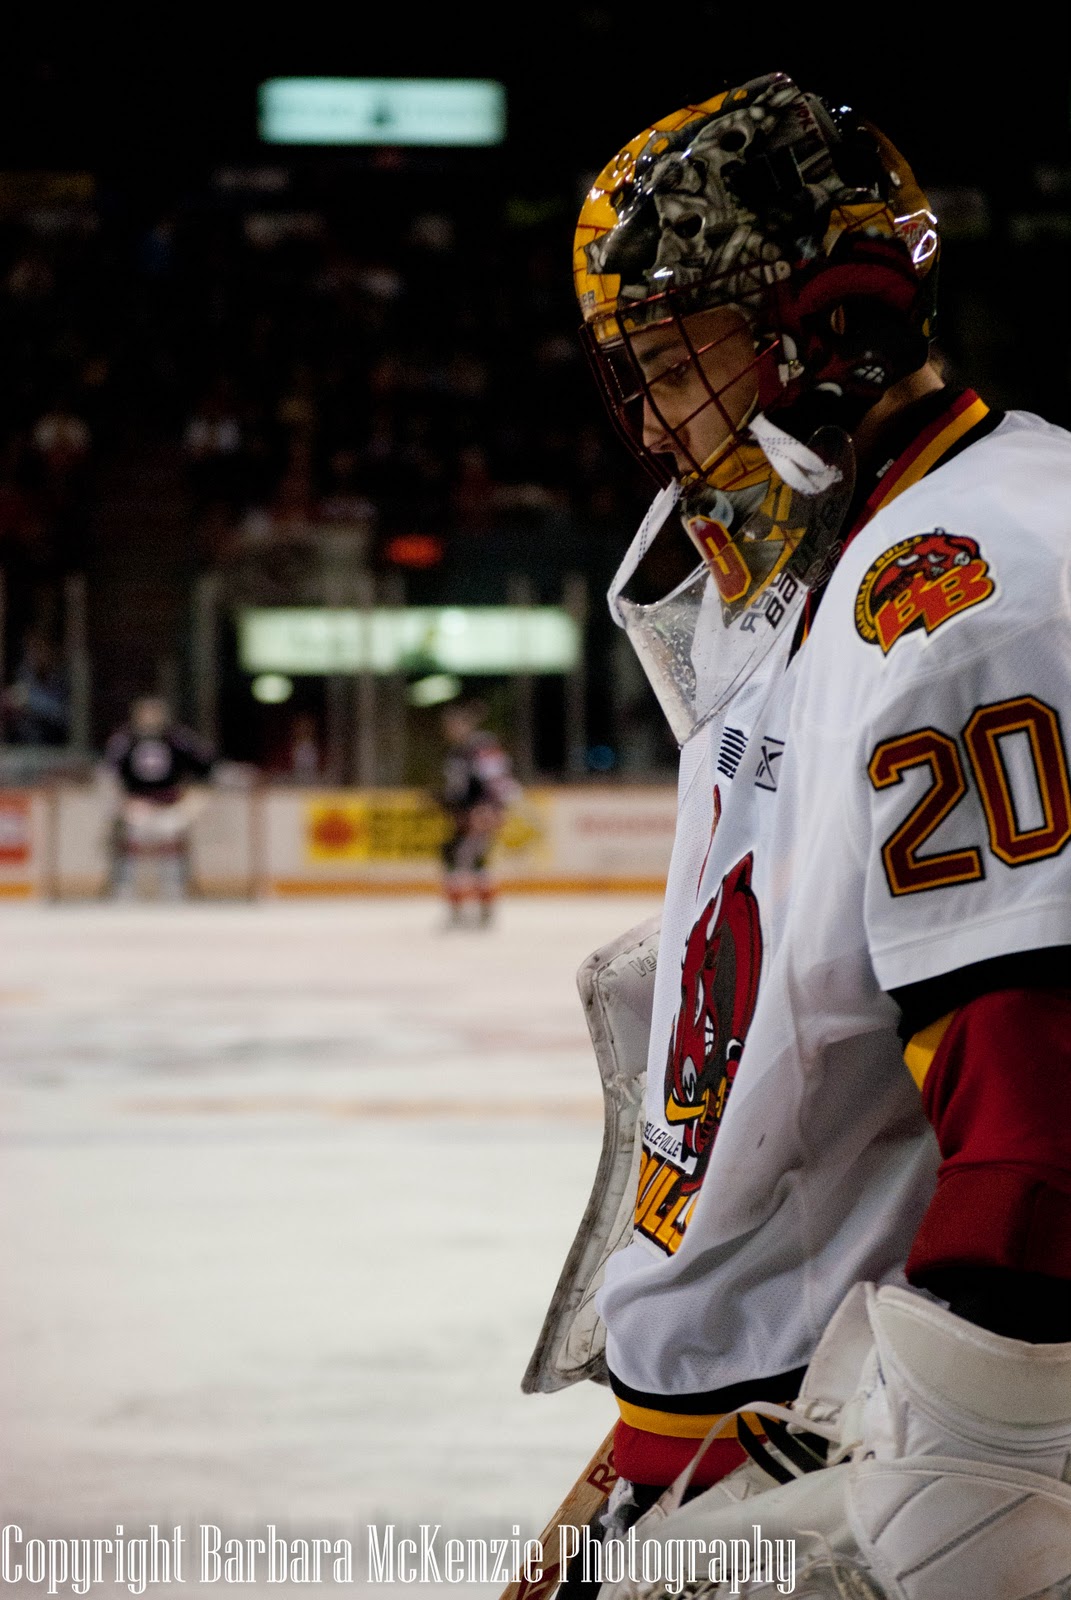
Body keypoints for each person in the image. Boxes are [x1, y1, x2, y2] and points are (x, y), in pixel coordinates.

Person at [555, 72, 1071, 1593]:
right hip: (727, 1434)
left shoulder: (963, 586)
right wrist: (634, 1458)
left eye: (669, 356)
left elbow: (1036, 1137)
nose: (645, 415)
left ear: (816, 325)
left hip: (840, 1458)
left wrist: (965, 1488)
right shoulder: (817, 572)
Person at [105, 696, 214, 900]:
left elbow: (204, 763)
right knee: (132, 836)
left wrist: (193, 798)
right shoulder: (125, 740)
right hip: (136, 803)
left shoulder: (177, 738)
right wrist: (121, 802)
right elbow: (110, 773)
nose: (150, 718)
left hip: (170, 802)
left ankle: (174, 886)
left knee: (171, 835)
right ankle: (125, 886)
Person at [437, 699, 518, 928]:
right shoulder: (457, 752)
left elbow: (498, 781)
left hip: (480, 812)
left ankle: (474, 913)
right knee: (463, 858)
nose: (450, 729)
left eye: (453, 724)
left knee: (463, 858)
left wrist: (491, 809)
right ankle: (476, 912)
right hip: (464, 813)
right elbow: (457, 788)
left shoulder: (480, 748)